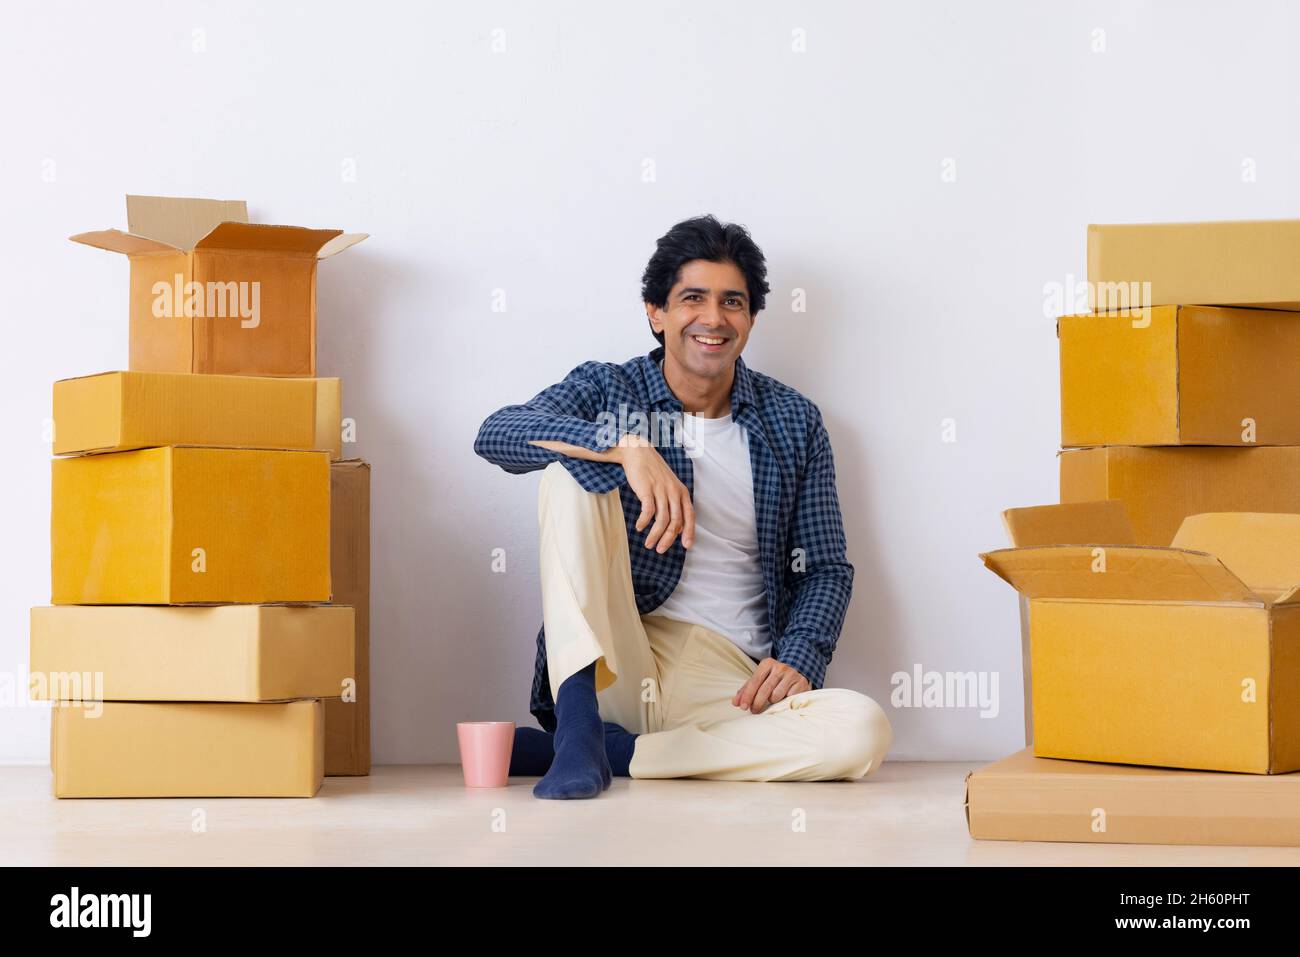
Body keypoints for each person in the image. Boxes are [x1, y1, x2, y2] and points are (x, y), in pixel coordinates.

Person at [474, 215, 892, 799]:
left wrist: (800, 657)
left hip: (729, 679)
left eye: (733, 302)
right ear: (657, 312)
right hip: (619, 659)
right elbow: (498, 433)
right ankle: (576, 727)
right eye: (692, 298)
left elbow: (825, 567)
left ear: (749, 319)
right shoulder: (609, 389)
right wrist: (624, 446)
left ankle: (617, 751)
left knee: (860, 731)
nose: (713, 318)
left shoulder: (793, 421)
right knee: (568, 476)